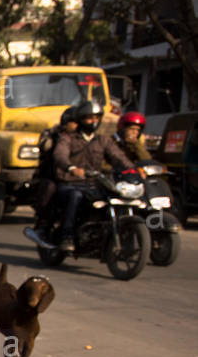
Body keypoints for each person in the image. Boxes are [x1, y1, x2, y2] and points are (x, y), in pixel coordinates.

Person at [28, 100, 132, 249]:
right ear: (81, 119)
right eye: (90, 118)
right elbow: (60, 155)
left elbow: (119, 157)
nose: (93, 121)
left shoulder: (103, 140)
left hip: (93, 184)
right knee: (75, 196)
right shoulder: (67, 138)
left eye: (96, 118)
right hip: (69, 183)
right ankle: (67, 236)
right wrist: (71, 168)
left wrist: (134, 169)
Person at [27, 106, 79, 238]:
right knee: (49, 189)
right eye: (73, 122)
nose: (75, 125)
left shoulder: (84, 138)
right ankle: (43, 224)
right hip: (53, 174)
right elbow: (51, 150)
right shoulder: (55, 134)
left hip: (77, 178)